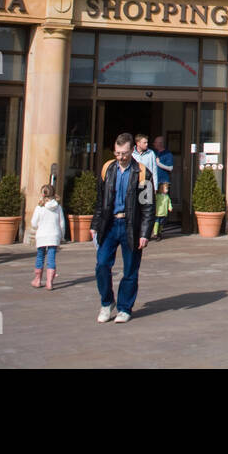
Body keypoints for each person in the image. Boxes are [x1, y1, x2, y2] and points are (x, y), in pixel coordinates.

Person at [91, 133, 154, 324]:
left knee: (130, 270)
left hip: (130, 226)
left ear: (131, 150)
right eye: (117, 153)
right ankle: (107, 302)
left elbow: (148, 205)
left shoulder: (142, 172)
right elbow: (100, 200)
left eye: (124, 153)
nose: (121, 157)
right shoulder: (107, 169)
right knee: (102, 265)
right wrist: (95, 224)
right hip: (110, 225)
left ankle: (125, 308)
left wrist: (145, 233)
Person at [29, 184, 65, 290]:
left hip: (42, 236)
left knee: (40, 257)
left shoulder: (39, 207)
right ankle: (49, 282)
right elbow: (62, 223)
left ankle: (38, 280)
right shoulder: (58, 207)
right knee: (51, 258)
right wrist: (62, 236)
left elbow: (34, 223)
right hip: (54, 236)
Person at [152, 135, 174, 239]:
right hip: (153, 181)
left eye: (156, 142)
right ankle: (154, 229)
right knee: (153, 204)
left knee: (162, 205)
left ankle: (160, 229)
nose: (154, 144)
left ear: (160, 143)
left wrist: (159, 164)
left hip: (163, 181)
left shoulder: (168, 154)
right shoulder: (153, 152)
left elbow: (170, 168)